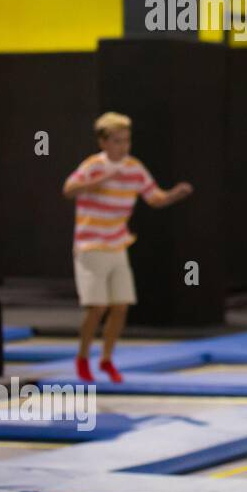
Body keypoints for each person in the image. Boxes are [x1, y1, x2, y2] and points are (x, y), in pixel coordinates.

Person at [62, 112, 193, 383]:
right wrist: (94, 183)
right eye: (117, 141)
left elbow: (154, 197)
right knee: (96, 308)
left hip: (117, 243)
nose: (123, 147)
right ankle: (83, 357)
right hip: (91, 245)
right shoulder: (93, 166)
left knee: (120, 306)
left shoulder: (134, 167)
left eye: (126, 141)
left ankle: (107, 359)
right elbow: (69, 189)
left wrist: (173, 195)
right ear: (103, 142)